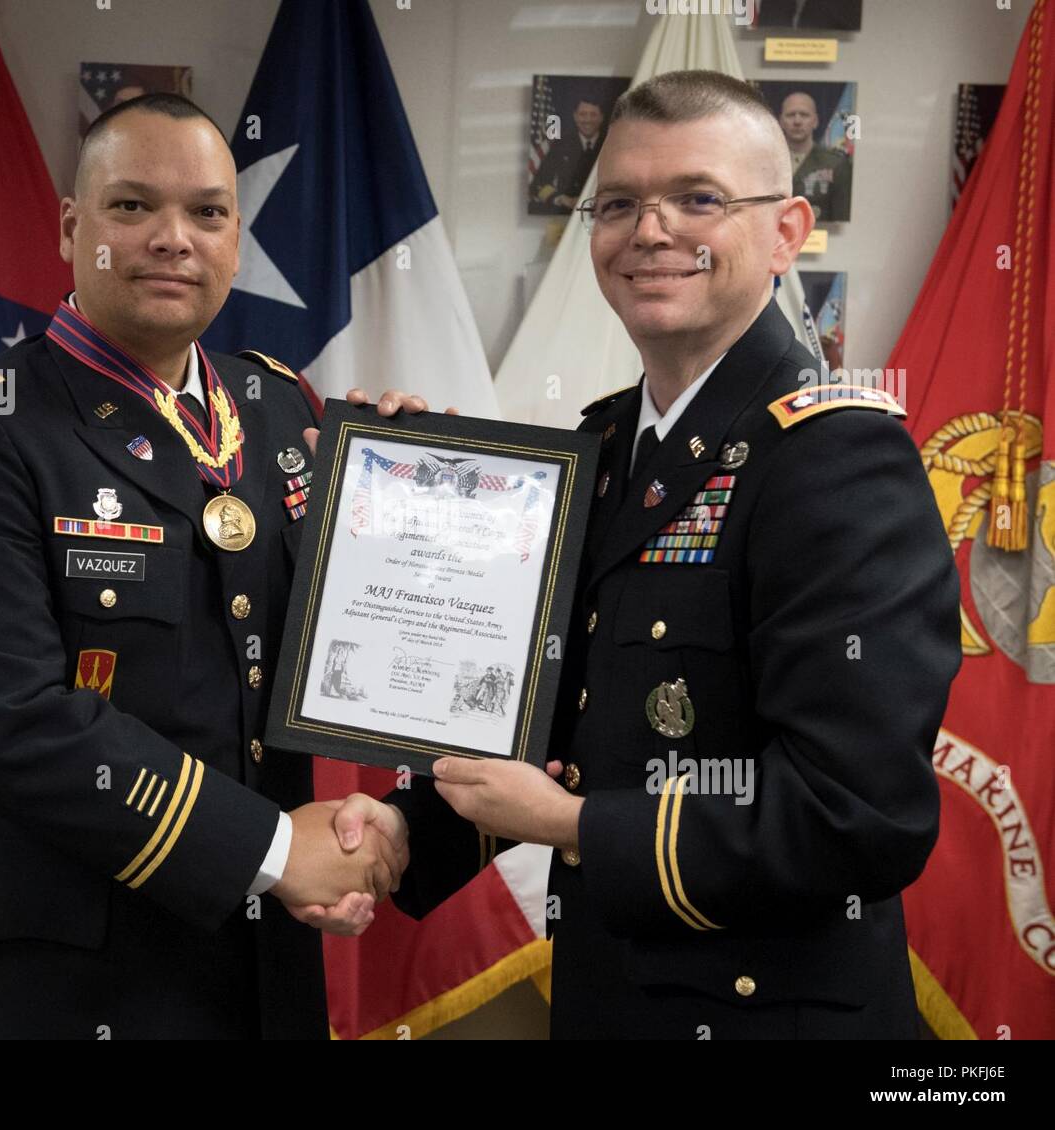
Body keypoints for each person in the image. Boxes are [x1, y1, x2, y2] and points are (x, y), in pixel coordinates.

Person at [346, 69, 960, 1039]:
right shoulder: (605, 452)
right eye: (619, 202)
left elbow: (857, 813)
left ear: (788, 230)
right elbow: (563, 724)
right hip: (610, 999)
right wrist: (402, 825)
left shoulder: (836, 457)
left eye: (698, 198)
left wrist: (575, 826)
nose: (650, 230)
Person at [0, 92, 412, 1039]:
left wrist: (417, 501)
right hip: (49, 981)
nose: (174, 237)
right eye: (132, 207)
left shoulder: (282, 410)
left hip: (256, 968)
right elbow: (7, 715)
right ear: (74, 229)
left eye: (207, 211)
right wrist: (280, 848)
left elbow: (342, 651)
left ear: (236, 239)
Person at [779, 91, 852, 223]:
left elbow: (841, 222)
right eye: (790, 115)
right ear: (781, 121)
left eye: (804, 115)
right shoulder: (768, 163)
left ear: (815, 121)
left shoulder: (836, 164)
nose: (797, 121)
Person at [531, 97, 607, 213]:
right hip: (565, 214)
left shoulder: (611, 145)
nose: (588, 120)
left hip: (602, 215)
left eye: (593, 114)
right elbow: (537, 185)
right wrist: (561, 199)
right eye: (583, 114)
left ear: (601, 117)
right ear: (575, 117)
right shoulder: (560, 145)